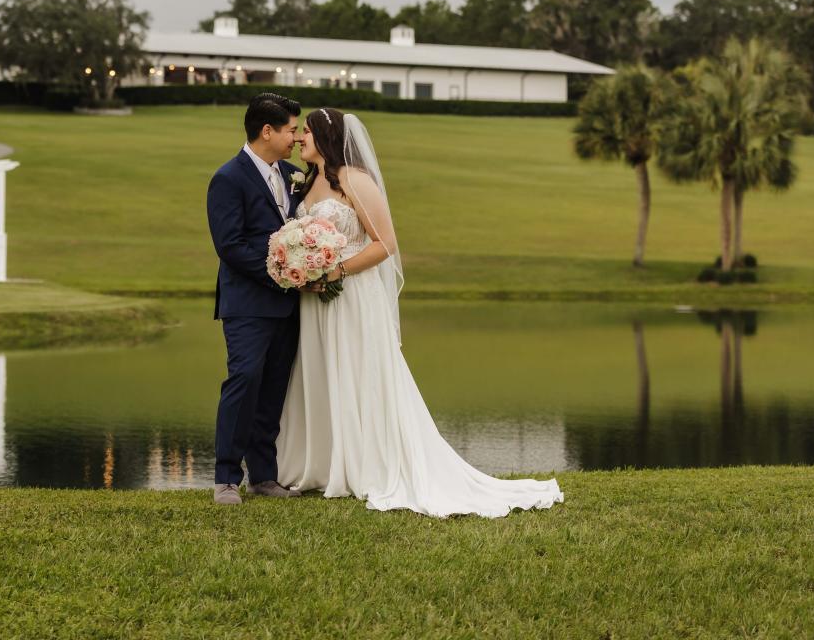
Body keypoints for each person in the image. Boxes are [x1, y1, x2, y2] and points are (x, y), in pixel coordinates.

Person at [277, 107, 565, 518]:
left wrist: (334, 269)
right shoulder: (306, 184)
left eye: (305, 130)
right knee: (322, 373)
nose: (300, 137)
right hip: (315, 302)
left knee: (358, 373)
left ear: (324, 136)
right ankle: (322, 464)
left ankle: (363, 463)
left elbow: (384, 244)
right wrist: (302, 266)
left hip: (351, 296)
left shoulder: (354, 180)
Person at [205, 93, 304, 505]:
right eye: (291, 130)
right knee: (244, 383)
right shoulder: (228, 178)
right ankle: (227, 477)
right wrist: (282, 275)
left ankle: (264, 476)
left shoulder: (294, 174)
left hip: (289, 307)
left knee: (273, 390)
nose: (296, 138)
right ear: (268, 131)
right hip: (248, 304)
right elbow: (230, 246)